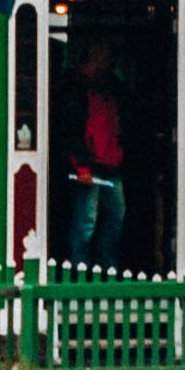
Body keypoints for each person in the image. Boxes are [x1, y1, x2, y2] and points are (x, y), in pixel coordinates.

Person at [67, 84, 126, 270]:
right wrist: (81, 165)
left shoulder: (113, 94)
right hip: (91, 165)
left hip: (111, 166)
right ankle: (79, 271)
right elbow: (72, 129)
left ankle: (106, 265)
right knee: (86, 222)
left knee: (117, 216)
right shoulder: (81, 92)